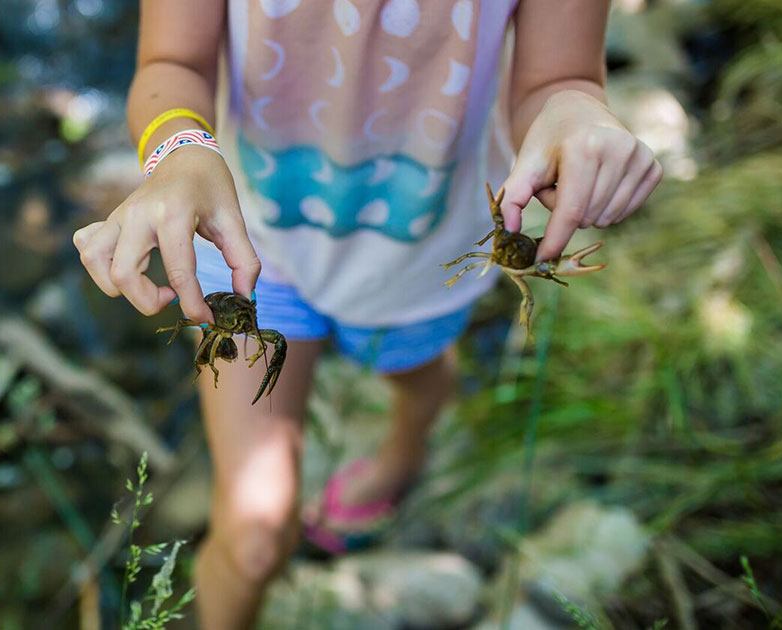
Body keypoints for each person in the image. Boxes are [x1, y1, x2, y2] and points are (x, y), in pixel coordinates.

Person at [73, 1, 662, 627]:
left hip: (420, 252)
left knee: (416, 372)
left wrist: (576, 112)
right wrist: (179, 151)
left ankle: (405, 448)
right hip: (242, 237)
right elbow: (173, 60)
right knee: (252, 539)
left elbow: (557, 79)